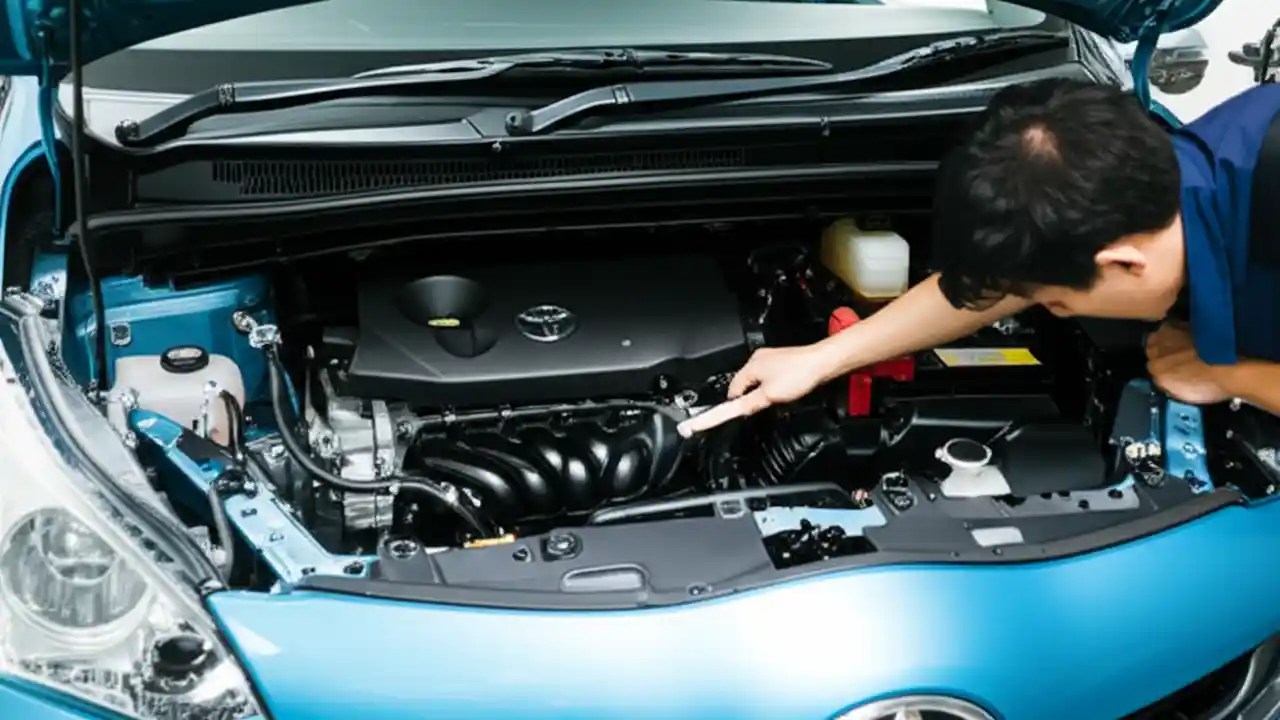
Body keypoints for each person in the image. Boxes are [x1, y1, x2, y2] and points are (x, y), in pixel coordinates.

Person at [679, 78, 1280, 437]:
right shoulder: (1139, 175)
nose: (1057, 315)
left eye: (1057, 304)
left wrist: (1231, 376)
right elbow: (999, 284)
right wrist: (822, 358)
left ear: (1125, 263)